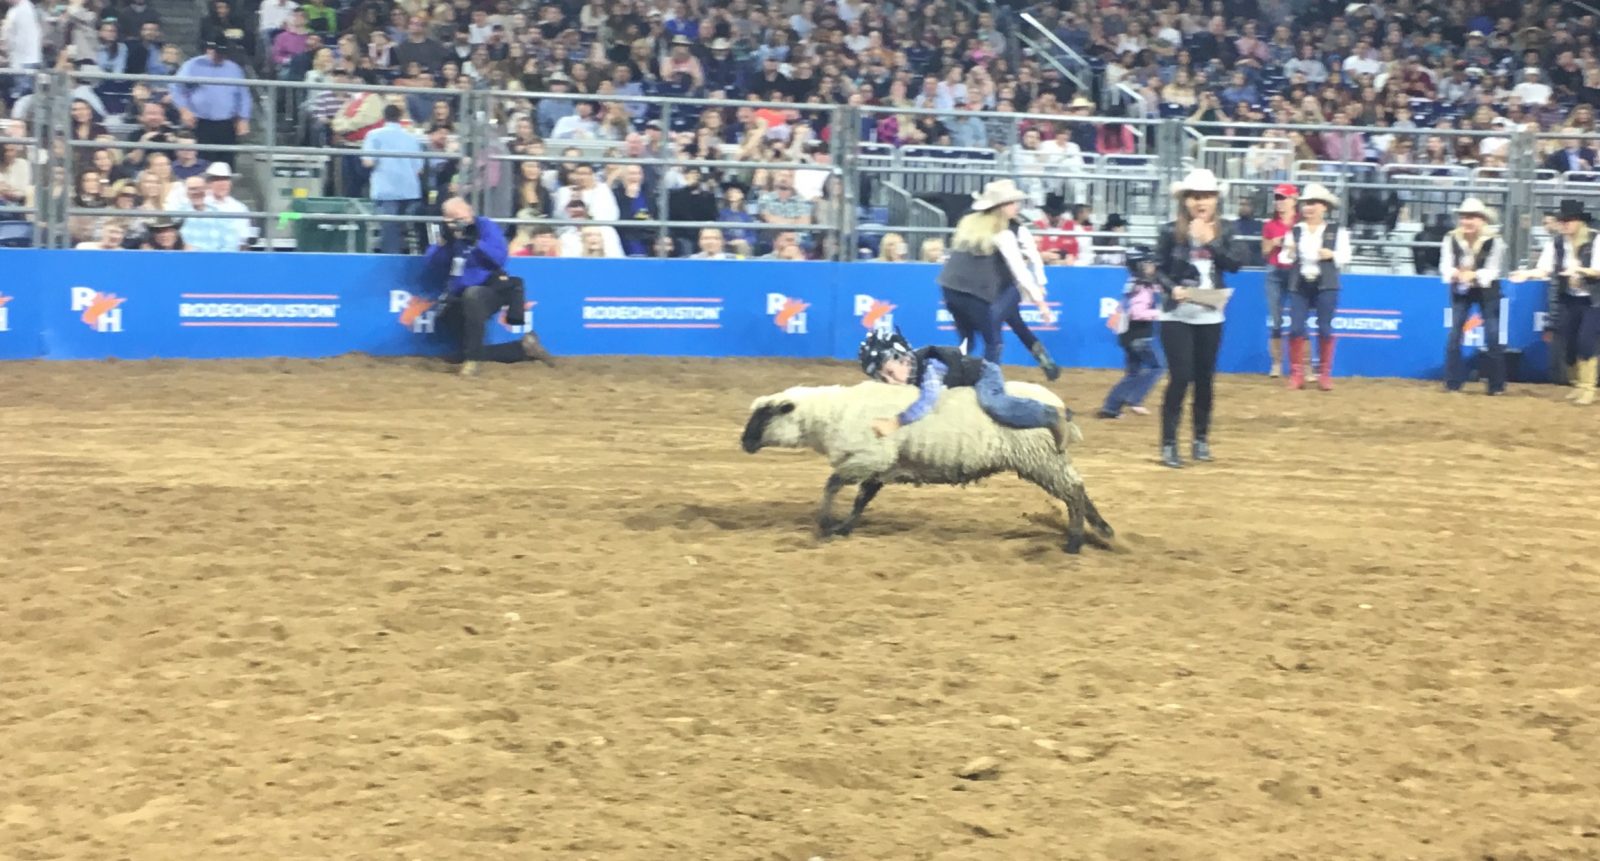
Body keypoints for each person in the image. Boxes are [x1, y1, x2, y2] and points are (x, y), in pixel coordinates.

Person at [857, 327, 1074, 453]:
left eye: (890, 372)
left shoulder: (930, 366)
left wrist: (895, 422)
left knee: (993, 404)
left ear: (902, 357)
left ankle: (1052, 415)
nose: (891, 382)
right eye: (883, 379)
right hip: (961, 381)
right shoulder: (913, 370)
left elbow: (929, 400)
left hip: (982, 373)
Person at [1153, 168, 1240, 469]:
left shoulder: (1225, 229)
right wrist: (1171, 287)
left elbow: (1237, 263)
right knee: (1180, 377)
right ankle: (1168, 444)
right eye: (1194, 196)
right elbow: (1155, 268)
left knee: (1205, 379)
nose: (1200, 202)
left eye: (1206, 196)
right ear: (1184, 201)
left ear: (1216, 200)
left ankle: (1200, 439)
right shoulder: (1169, 231)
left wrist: (1210, 242)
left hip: (1210, 313)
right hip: (1175, 313)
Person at [423, 197, 554, 376]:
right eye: (452, 218)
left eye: (461, 216)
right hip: (457, 296)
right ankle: (523, 348)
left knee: (473, 295)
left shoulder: (484, 226)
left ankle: (473, 361)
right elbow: (432, 263)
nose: (460, 222)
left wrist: (477, 244)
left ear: (470, 212)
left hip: (489, 289)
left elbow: (500, 257)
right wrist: (444, 243)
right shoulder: (449, 237)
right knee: (460, 352)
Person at [935, 179, 1053, 365]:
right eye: (1011, 202)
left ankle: (950, 373)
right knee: (994, 342)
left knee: (967, 341)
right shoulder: (1003, 233)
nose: (1016, 206)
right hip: (974, 293)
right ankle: (989, 382)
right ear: (1000, 206)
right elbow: (1020, 270)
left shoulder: (969, 224)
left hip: (950, 289)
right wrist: (1041, 303)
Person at [1511, 200, 1600, 404]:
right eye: (1562, 221)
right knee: (1567, 343)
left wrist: (1579, 271)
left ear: (1579, 222)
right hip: (1568, 298)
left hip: (1593, 300)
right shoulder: (1557, 243)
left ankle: (1588, 387)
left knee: (1586, 341)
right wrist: (1527, 274)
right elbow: (1545, 269)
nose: (1564, 224)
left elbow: (1598, 269)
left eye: (1568, 220)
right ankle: (1578, 383)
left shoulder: (1596, 240)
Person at [1278, 183, 1353, 391]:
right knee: (1296, 328)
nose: (1308, 208)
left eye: (1312, 203)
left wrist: (1333, 255)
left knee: (1325, 328)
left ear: (1324, 207)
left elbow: (1346, 256)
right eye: (1306, 204)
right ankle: (1297, 373)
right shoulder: (1295, 232)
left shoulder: (1337, 231)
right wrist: (1291, 252)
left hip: (1326, 283)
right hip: (1300, 282)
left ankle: (1324, 374)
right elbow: (1284, 256)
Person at [1440, 198, 1507, 395]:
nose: (1466, 222)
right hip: (1461, 289)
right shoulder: (1451, 238)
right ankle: (1452, 383)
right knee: (1454, 335)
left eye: (1471, 217)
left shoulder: (1495, 241)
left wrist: (1473, 275)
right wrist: (1457, 273)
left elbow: (1493, 270)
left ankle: (1496, 385)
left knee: (1493, 335)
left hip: (1487, 290)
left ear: (1482, 220)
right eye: (1464, 217)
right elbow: (1445, 265)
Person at [1098, 246, 1164, 419]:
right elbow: (1138, 313)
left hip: (1127, 336)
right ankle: (1134, 399)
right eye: (1148, 264)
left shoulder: (1132, 283)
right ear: (1139, 265)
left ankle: (1111, 408)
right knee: (1157, 367)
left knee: (1133, 373)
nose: (1152, 267)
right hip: (1140, 335)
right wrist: (1160, 313)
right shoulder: (1142, 286)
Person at [171, 40, 251, 167]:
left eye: (223, 53)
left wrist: (243, 118)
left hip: (226, 123)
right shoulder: (192, 65)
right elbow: (176, 88)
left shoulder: (234, 68)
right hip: (199, 122)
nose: (220, 56)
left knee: (226, 164)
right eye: (218, 53)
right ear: (209, 50)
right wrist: (184, 110)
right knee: (200, 162)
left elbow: (243, 95)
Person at [361, 104, 424, 255]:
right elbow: (419, 169)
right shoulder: (412, 138)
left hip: (386, 189)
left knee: (389, 230)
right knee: (408, 230)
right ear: (400, 117)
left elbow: (368, 161)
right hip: (410, 190)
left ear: (383, 116)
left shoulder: (374, 135)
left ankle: (390, 262)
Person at [1259, 183, 1297, 378]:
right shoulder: (1270, 225)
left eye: (1283, 198)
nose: (1279, 202)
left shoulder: (1300, 223)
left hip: (1294, 271)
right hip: (1275, 271)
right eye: (1277, 198)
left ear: (1293, 200)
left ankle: (1300, 365)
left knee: (1299, 319)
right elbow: (1264, 251)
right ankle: (1276, 363)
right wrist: (1275, 242)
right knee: (1276, 319)